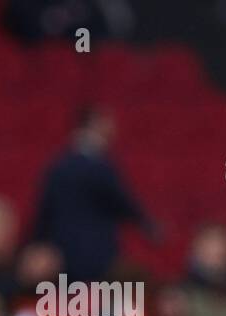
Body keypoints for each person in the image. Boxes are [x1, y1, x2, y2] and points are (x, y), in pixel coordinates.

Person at [31, 107, 156, 282]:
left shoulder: (58, 165)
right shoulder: (100, 166)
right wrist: (147, 224)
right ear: (93, 125)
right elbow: (122, 201)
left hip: (66, 253)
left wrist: (36, 242)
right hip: (97, 255)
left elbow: (43, 211)